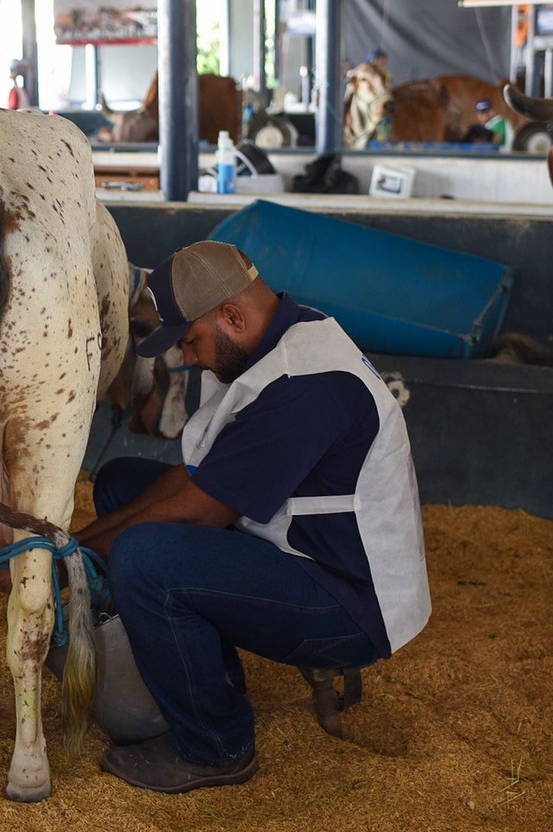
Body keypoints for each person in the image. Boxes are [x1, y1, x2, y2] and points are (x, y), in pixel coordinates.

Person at [78, 241, 430, 794]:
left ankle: (214, 748)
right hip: (301, 547)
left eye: (190, 341)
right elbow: (198, 478)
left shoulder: (305, 384)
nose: (189, 358)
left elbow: (199, 512)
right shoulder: (277, 339)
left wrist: (69, 559)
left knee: (143, 558)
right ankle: (206, 678)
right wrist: (71, 544)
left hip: (349, 601)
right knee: (122, 483)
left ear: (233, 317)